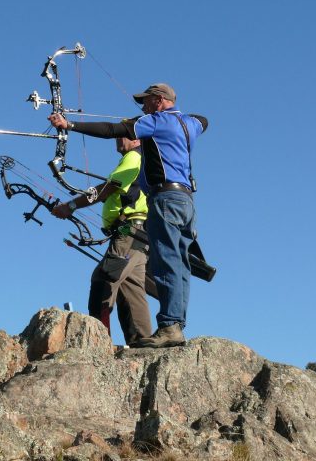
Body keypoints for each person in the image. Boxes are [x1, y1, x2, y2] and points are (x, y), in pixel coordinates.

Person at [49, 83, 208, 348]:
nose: (142, 109)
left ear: (158, 101)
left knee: (146, 269)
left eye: (146, 102)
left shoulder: (150, 131)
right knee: (168, 270)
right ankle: (158, 333)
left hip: (160, 205)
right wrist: (179, 115)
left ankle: (159, 328)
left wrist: (70, 125)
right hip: (185, 202)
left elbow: (112, 129)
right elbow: (205, 120)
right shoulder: (188, 124)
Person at [52, 137, 152, 345]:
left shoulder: (134, 156)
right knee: (130, 286)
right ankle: (142, 343)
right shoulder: (139, 158)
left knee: (104, 278)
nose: (118, 138)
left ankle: (97, 341)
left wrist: (70, 206)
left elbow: (107, 188)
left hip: (130, 230)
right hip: (136, 233)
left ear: (136, 140)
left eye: (123, 134)